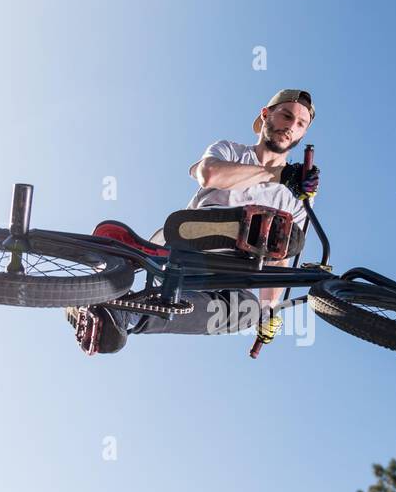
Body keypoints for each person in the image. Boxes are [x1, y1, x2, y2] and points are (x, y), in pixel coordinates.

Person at [65, 88, 320, 354]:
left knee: (247, 308)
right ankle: (218, 232)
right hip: (191, 245)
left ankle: (125, 314)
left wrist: (269, 310)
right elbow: (208, 174)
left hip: (237, 268)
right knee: (223, 229)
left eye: (300, 124)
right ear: (266, 115)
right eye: (286, 116)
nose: (291, 126)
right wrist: (275, 176)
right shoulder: (231, 151)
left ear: (303, 134)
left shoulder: (297, 193)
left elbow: (280, 258)